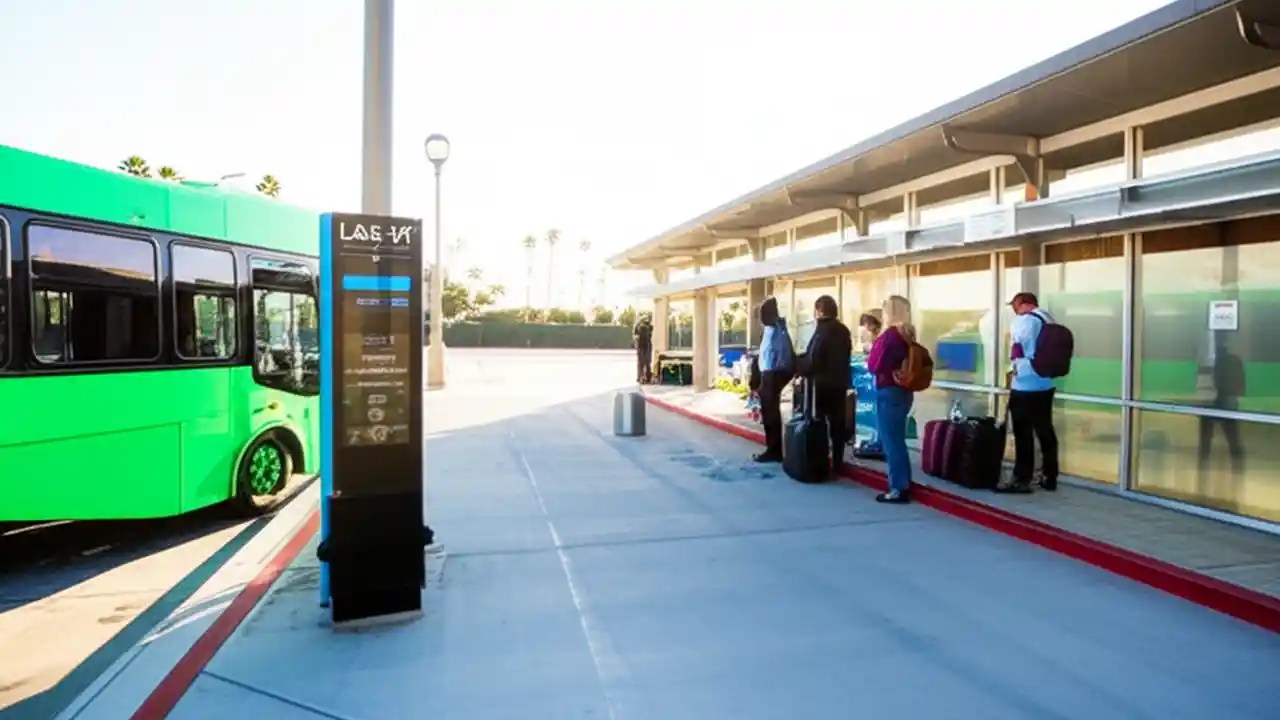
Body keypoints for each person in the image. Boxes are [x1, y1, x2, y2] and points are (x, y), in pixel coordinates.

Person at [997, 291, 1060, 493]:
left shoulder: (1024, 321)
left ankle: (1021, 479)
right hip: (1045, 383)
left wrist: (1014, 368)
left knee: (1022, 432)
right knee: (1045, 429)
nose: (1014, 310)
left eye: (1015, 306)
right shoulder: (1048, 319)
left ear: (1024, 304)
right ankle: (1049, 476)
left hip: (1025, 384)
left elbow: (1017, 349)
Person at [866, 295, 915, 504]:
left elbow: (873, 365)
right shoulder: (908, 334)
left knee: (891, 442)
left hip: (889, 391)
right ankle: (902, 483)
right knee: (898, 440)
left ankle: (898, 488)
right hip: (904, 391)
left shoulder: (890, 336)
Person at [796, 295, 853, 470]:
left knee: (817, 422)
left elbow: (814, 359)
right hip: (840, 383)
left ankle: (818, 459)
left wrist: (798, 366)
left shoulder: (822, 330)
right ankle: (838, 460)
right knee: (837, 423)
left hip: (820, 385)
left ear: (819, 311)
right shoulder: (844, 330)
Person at [752, 297, 794, 462]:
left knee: (772, 415)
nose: (760, 318)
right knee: (768, 414)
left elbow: (779, 355)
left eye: (763, 313)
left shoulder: (778, 330)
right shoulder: (770, 330)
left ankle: (774, 449)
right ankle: (773, 447)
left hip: (773, 375)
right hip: (768, 375)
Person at [633, 315, 654, 383]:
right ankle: (647, 377)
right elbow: (650, 332)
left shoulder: (639, 326)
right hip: (646, 345)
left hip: (641, 346)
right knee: (647, 362)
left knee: (641, 363)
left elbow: (635, 335)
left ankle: (640, 377)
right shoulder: (649, 326)